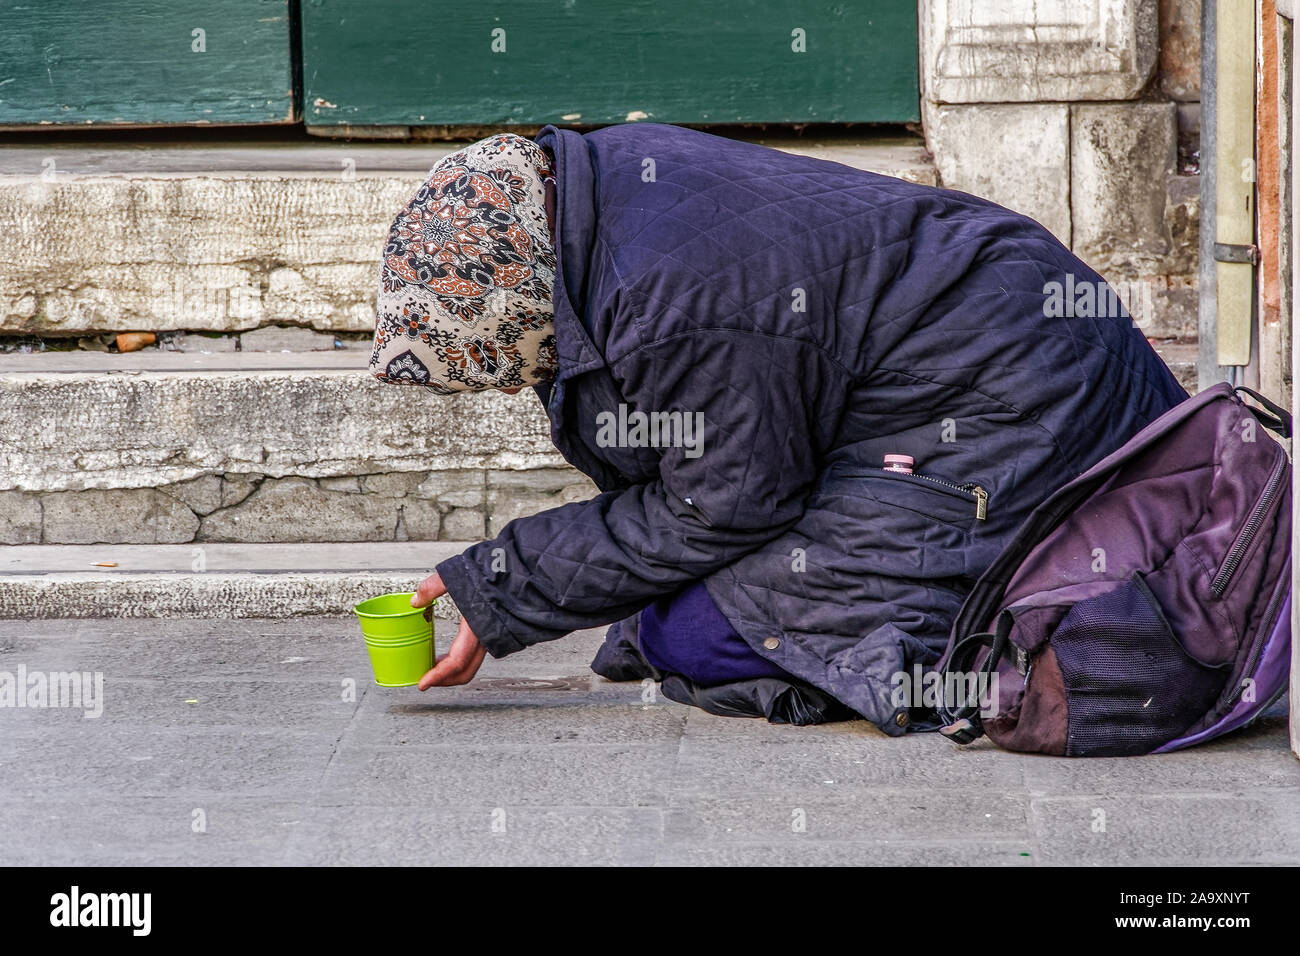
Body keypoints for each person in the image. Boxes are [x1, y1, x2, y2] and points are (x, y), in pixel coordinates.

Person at [368, 124, 1187, 734]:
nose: (524, 383)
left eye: (515, 366)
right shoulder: (596, 183)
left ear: (520, 304)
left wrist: (508, 580)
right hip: (988, 359)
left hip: (1019, 420)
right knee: (664, 606)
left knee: (692, 634)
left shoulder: (671, 310)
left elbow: (722, 505)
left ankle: (1000, 647)